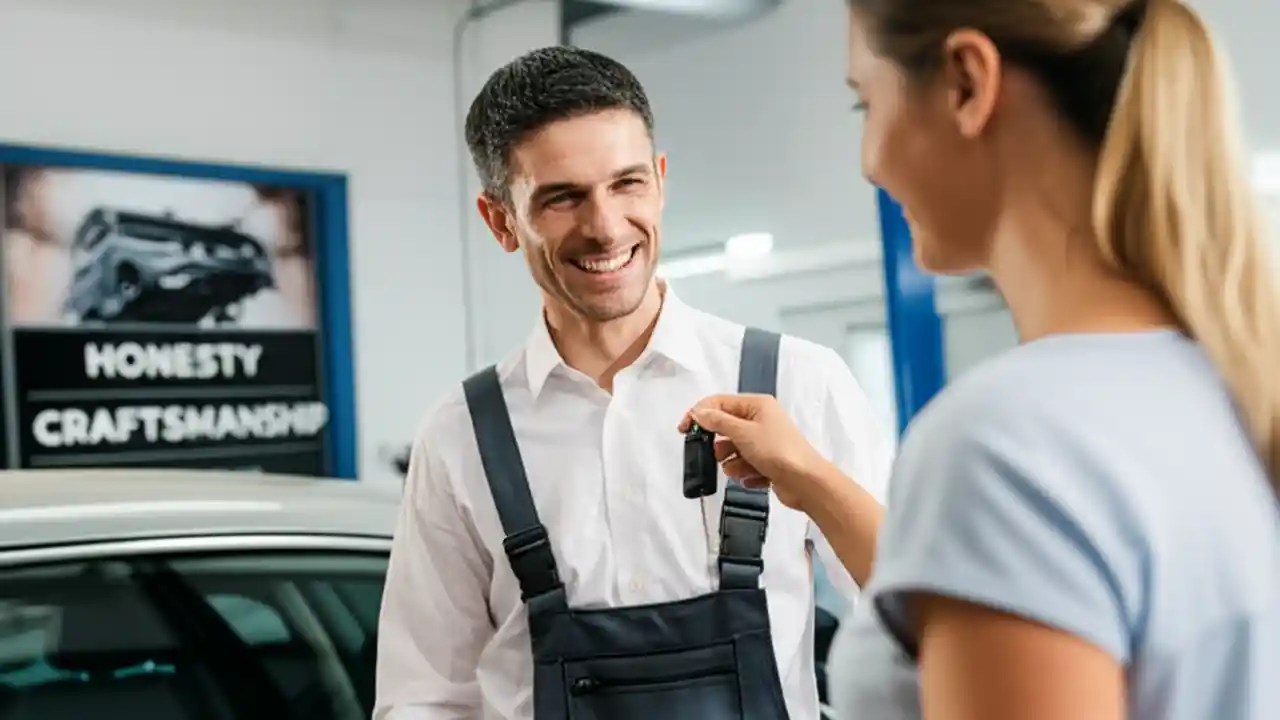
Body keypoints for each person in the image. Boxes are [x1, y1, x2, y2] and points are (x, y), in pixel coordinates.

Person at [681, 0, 1280, 718]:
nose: (869, 162)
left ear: (966, 84)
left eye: (864, 105)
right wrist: (809, 478)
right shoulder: (1230, 386)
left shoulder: (1006, 442)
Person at [373, 46, 893, 720]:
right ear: (501, 220)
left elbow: (927, 621)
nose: (605, 227)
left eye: (627, 184)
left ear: (661, 180)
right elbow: (424, 698)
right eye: (562, 198)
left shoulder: (800, 380)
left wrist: (813, 481)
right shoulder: (460, 437)